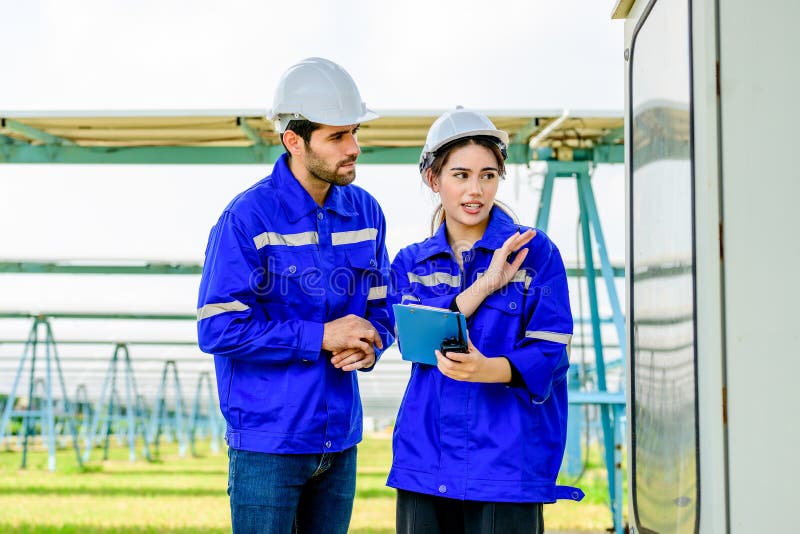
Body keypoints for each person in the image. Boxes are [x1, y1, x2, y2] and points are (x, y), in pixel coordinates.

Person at [196, 57, 394, 534]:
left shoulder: (367, 212)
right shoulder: (246, 218)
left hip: (340, 441)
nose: (354, 148)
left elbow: (382, 311)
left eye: (354, 132)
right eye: (338, 136)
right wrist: (321, 336)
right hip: (269, 445)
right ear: (294, 140)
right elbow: (217, 328)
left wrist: (371, 345)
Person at [386, 108, 583, 533]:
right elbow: (414, 340)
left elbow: (553, 351)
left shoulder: (534, 252)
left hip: (507, 463)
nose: (475, 190)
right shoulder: (411, 263)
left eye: (488, 175)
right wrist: (487, 283)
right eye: (460, 175)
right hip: (427, 459)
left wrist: (489, 369)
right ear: (433, 179)